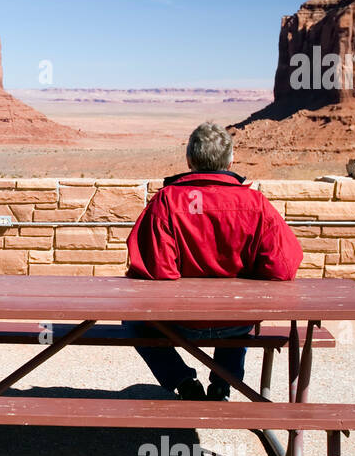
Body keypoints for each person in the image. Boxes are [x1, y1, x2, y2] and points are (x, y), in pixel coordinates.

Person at [124, 121, 302, 400]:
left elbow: (155, 270)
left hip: (176, 322)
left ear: (189, 161)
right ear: (231, 160)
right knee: (239, 308)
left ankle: (182, 380)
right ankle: (223, 383)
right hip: (235, 320)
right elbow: (282, 268)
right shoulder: (255, 204)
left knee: (131, 322)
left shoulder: (167, 201)